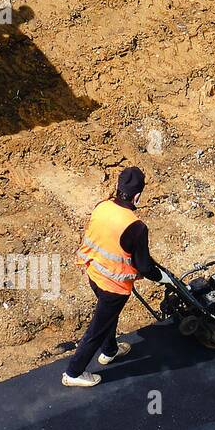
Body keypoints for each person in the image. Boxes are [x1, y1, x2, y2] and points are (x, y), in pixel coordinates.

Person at [64, 166, 169, 387]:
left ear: (118, 187)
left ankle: (110, 350)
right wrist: (162, 277)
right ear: (137, 196)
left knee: (108, 317)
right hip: (114, 287)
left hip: (94, 273)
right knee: (97, 329)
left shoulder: (102, 206)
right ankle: (73, 373)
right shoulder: (136, 226)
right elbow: (144, 266)